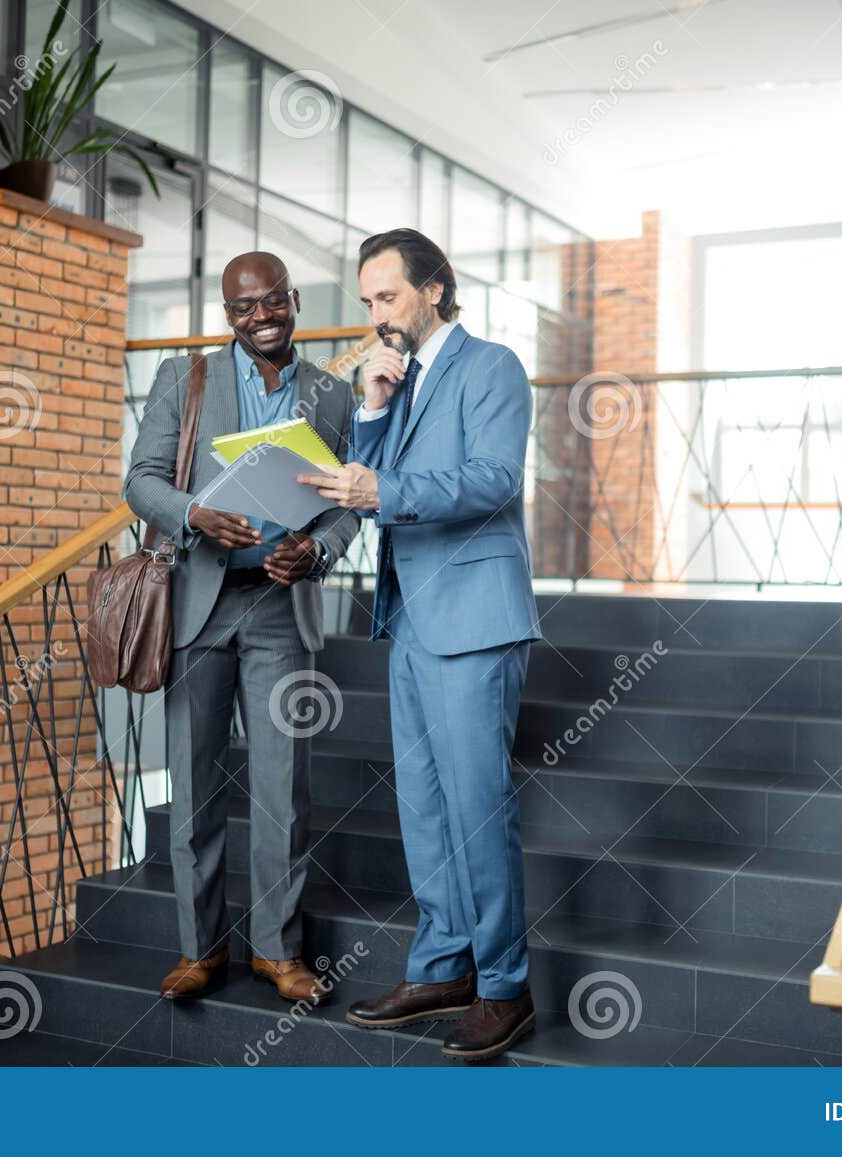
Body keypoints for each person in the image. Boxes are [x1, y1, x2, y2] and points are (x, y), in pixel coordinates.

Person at [300, 228, 542, 1060]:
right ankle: (442, 964)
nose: (377, 314)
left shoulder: (492, 367)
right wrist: (370, 410)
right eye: (367, 301)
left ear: (435, 288)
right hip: (410, 618)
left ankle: (504, 985)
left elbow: (493, 478)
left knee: (477, 808)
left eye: (388, 297)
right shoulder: (400, 381)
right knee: (426, 808)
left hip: (475, 617)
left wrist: (383, 481)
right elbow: (371, 492)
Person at [123, 252, 359, 1005]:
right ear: (229, 314)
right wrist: (193, 513)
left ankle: (278, 952)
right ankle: (201, 948)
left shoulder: (331, 393)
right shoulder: (185, 380)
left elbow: (346, 501)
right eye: (243, 307)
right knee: (193, 785)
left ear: (294, 300)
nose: (260, 317)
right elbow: (142, 480)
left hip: (278, 605)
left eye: (273, 302)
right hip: (200, 599)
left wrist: (317, 547)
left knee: (281, 787)